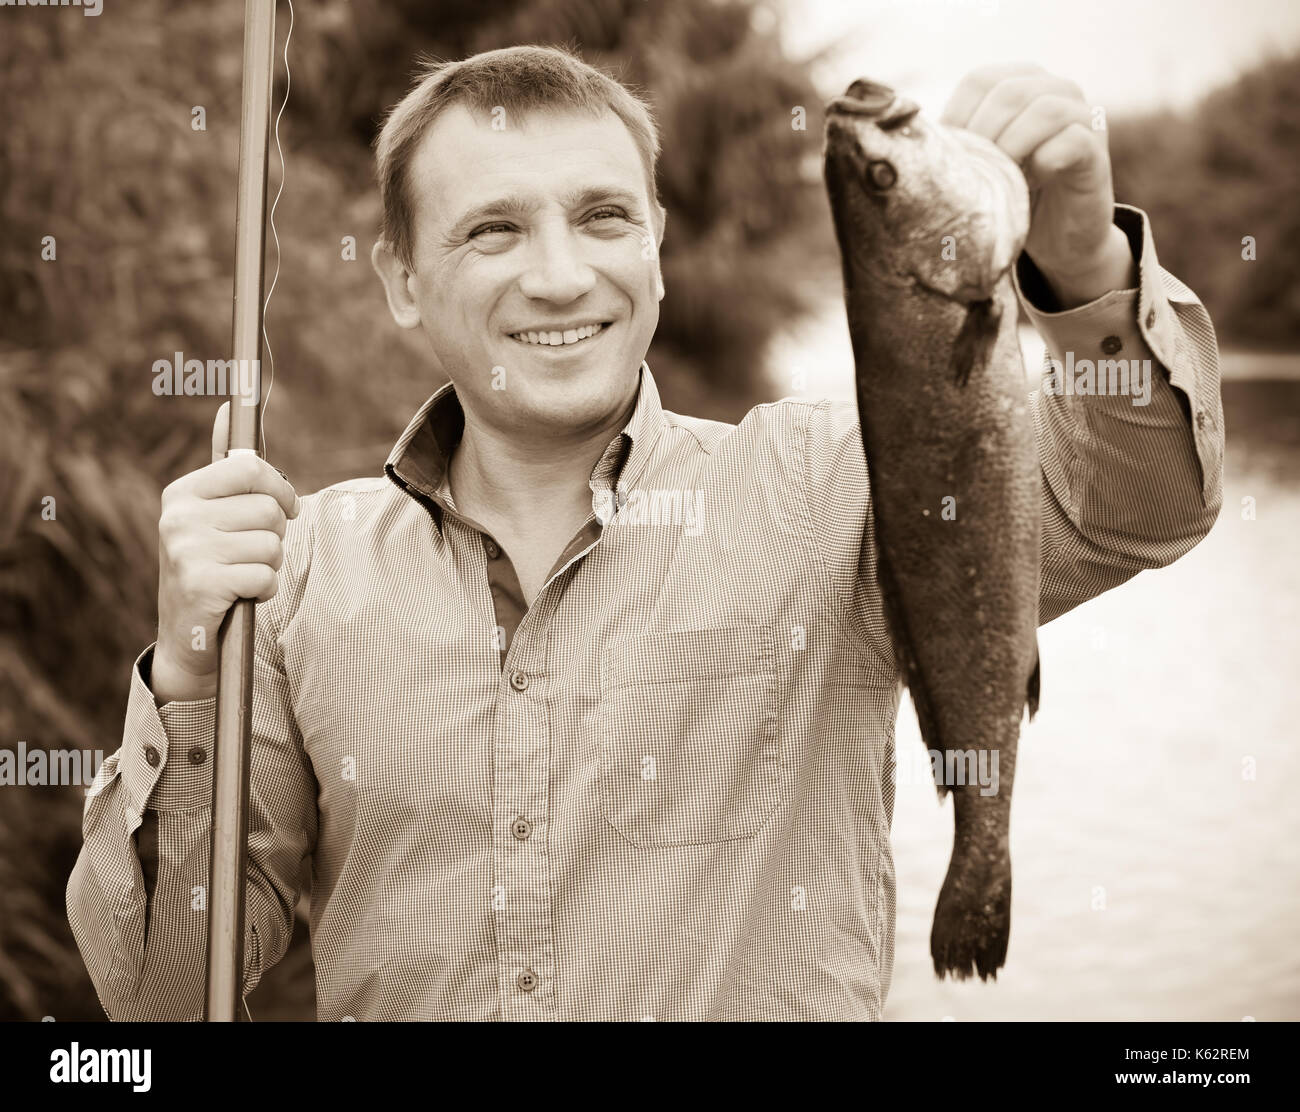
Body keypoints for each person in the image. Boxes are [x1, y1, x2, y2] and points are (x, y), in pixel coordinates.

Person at [67, 45, 1223, 1021]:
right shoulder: (294, 571)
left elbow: (1142, 506)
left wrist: (1082, 268)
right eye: (493, 231)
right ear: (403, 281)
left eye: (603, 217)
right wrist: (184, 674)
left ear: (656, 249)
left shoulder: (832, 485)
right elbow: (162, 996)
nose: (561, 275)